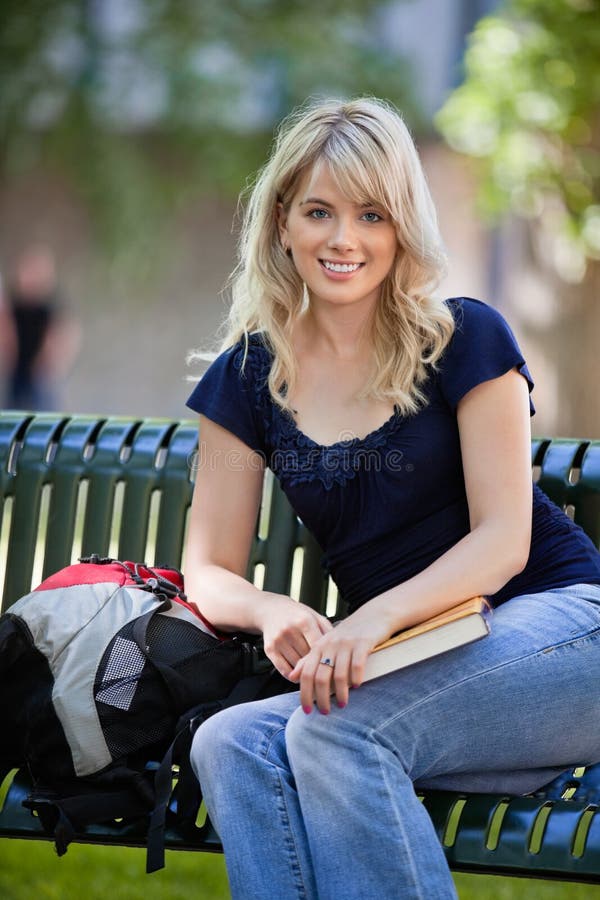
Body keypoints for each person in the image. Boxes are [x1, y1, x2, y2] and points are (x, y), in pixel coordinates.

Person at [184, 97, 600, 900]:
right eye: (320, 212)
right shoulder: (247, 380)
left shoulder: (464, 339)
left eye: (372, 214)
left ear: (402, 227)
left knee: (337, 734)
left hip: (565, 634)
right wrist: (271, 611)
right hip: (427, 669)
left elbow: (504, 543)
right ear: (282, 223)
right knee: (233, 744)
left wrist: (367, 621)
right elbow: (208, 570)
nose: (344, 240)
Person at [4, 244, 81, 411]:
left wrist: (53, 364)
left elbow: (66, 333)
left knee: (44, 411)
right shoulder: (15, 302)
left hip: (40, 374)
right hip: (18, 372)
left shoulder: (51, 305)